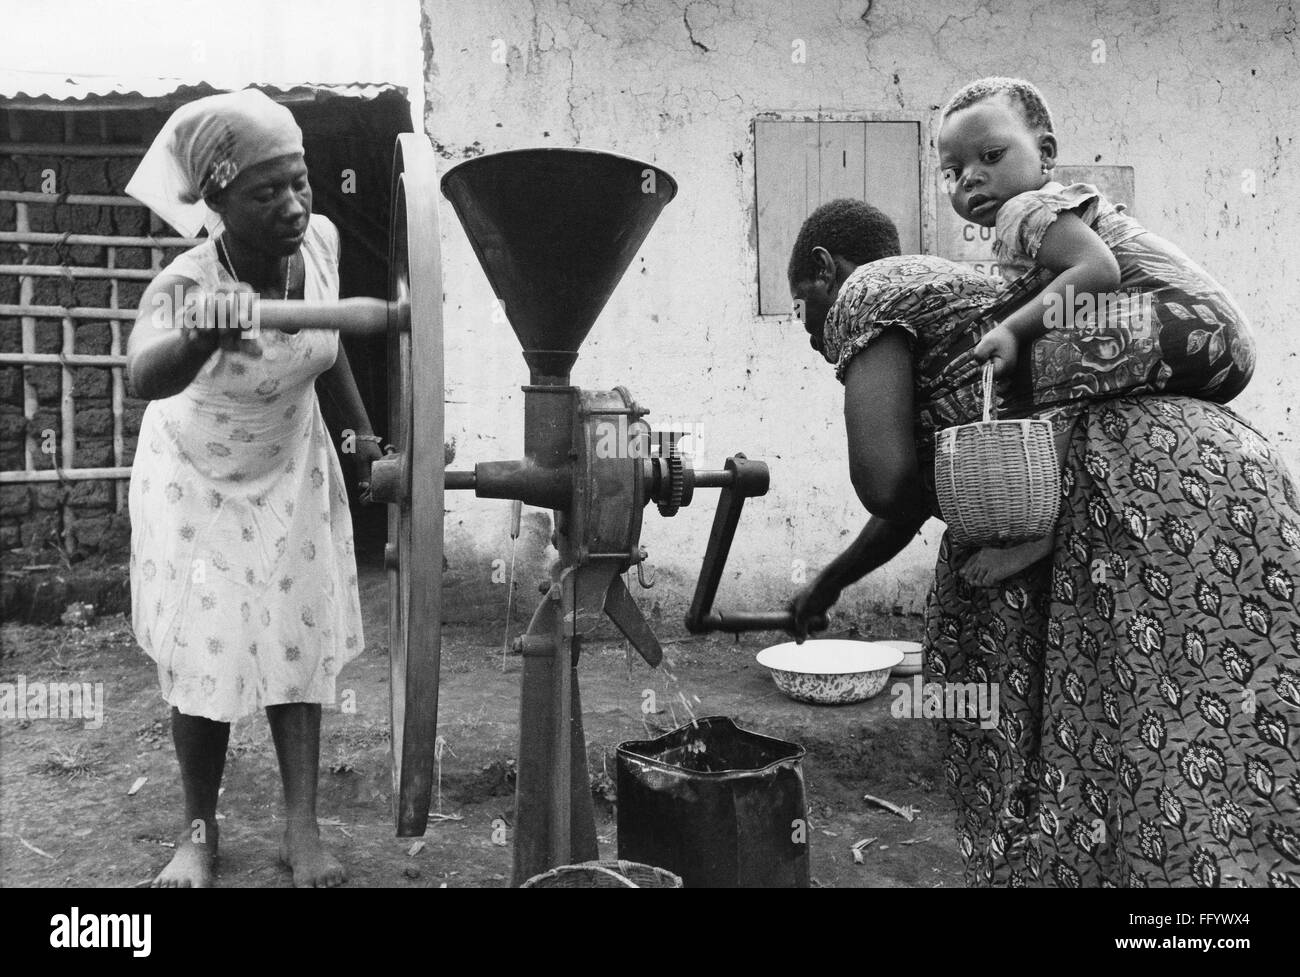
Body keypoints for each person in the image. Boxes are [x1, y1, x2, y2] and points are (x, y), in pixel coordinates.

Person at [787, 198, 1300, 888]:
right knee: (1229, 728)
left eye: (800, 305)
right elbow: (918, 488)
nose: (808, 330)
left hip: (1137, 490)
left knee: (1158, 736)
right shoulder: (952, 299)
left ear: (828, 269)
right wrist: (833, 580)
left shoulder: (867, 291)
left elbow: (887, 483)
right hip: (1219, 474)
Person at [124, 89, 382, 887]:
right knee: (210, 650)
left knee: (294, 637)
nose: (294, 205)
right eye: (267, 192)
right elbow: (141, 375)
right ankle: (198, 833)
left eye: (300, 182)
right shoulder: (185, 281)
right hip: (196, 483)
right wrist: (203, 329)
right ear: (218, 200)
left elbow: (329, 340)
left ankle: (300, 828)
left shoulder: (325, 244)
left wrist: (363, 433)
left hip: (292, 465)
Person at [937, 77, 1256, 584]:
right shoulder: (1052, 208)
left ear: (1045, 153)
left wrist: (1014, 332)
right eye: (952, 172)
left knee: (1028, 369)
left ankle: (1038, 526)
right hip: (1214, 337)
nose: (969, 179)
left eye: (991, 156)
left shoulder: (1026, 209)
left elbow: (1097, 273)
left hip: (1183, 321)